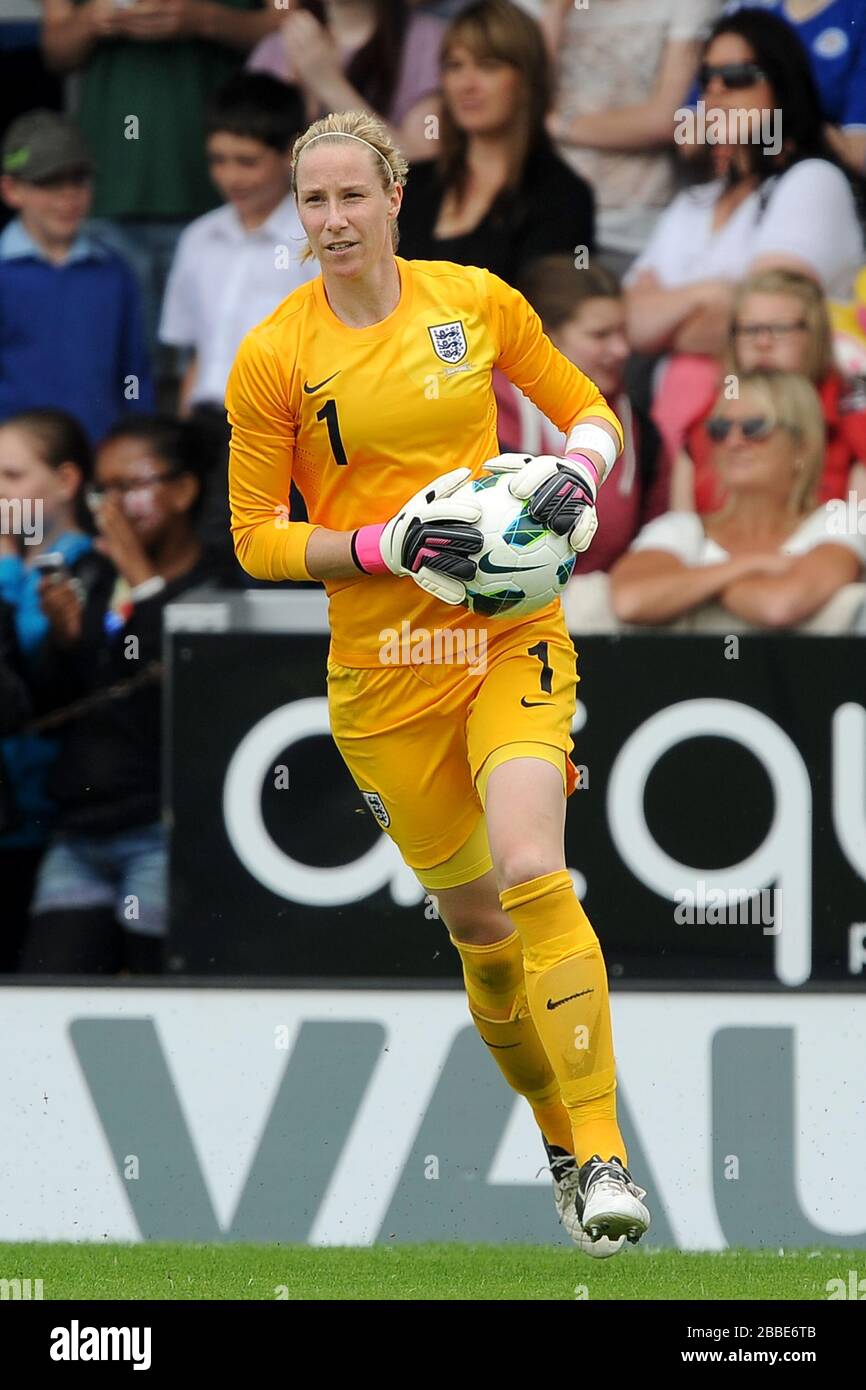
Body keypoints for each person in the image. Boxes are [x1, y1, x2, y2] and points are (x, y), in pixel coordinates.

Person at [226, 108, 651, 1254]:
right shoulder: (274, 355)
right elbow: (256, 537)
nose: (331, 219)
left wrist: (575, 476)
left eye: (351, 196)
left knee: (530, 866)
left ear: (394, 196)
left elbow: (587, 410)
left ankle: (607, 1152)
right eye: (312, 202)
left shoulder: (474, 301)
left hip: (507, 635)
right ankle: (561, 1144)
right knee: (482, 938)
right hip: (382, 675)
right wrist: (381, 546)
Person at [21, 415, 216, 975]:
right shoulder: (94, 574)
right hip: (81, 833)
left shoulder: (217, 583)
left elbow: (189, 691)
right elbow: (56, 704)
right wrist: (64, 643)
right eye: (102, 490)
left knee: (157, 991)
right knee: (49, 986)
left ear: (181, 490)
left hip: (164, 836)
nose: (110, 507)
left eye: (130, 487)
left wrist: (142, 576)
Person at [624, 7, 866, 459]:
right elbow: (627, 322)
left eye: (736, 76)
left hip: (777, 441)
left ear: (780, 85)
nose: (715, 90)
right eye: (708, 77)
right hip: (677, 447)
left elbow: (762, 323)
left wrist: (671, 314)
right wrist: (710, 297)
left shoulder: (814, 182)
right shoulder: (695, 201)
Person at [40, 0, 284, 357]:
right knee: (123, 366)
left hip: (224, 202)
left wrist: (206, 19)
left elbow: (292, 19)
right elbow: (55, 48)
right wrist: (92, 19)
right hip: (111, 193)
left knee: (224, 368)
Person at [159, 73, 319, 582]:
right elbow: (199, 355)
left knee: (265, 562)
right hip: (206, 430)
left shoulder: (314, 239)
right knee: (205, 566)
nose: (231, 176)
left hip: (282, 429)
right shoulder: (198, 238)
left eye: (247, 161)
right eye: (219, 160)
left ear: (291, 154)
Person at [610, 370, 866, 628]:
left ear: (802, 446)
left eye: (754, 428)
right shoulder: (681, 528)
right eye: (720, 429)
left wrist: (691, 585)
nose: (734, 441)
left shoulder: (839, 521)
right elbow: (630, 601)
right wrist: (754, 564)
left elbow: (779, 606)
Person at [396, 0, 594, 287]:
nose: (467, 83)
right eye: (454, 66)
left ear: (527, 79)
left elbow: (543, 315)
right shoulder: (410, 184)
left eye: (488, 66)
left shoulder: (562, 197)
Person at [495, 258, 669, 574]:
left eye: (622, 332)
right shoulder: (482, 415)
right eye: (600, 335)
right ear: (544, 337)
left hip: (602, 611)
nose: (621, 350)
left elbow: (657, 538)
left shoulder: (641, 432)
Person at [0, 409, 94, 965]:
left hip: (49, 819)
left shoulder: (96, 567)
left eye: (12, 477)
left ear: (64, 481)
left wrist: (8, 571)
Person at [0, 110, 154, 443]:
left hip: (100, 459)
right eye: (50, 182)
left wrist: (134, 443)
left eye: (79, 180)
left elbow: (134, 372)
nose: (68, 196)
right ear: (11, 189)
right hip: (15, 468)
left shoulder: (115, 272)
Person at [542, 0, 722, 275]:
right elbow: (523, 100)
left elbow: (667, 120)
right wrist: (554, 13)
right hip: (550, 220)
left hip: (636, 226)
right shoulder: (544, 7)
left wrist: (557, 126)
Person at [674, 268, 866, 513]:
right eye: (750, 330)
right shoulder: (710, 425)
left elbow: (857, 541)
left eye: (780, 329)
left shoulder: (854, 424)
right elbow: (680, 532)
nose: (762, 342)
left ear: (816, 334)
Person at [247, 0, 445, 161]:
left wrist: (329, 84)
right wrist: (302, 102)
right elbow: (249, 166)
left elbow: (422, 161)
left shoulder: (426, 40)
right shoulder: (275, 50)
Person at [722, 0, 866, 172]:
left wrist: (789, 117)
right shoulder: (744, 12)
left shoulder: (857, 12)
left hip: (818, 176)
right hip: (743, 178)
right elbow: (691, 136)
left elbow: (859, 156)